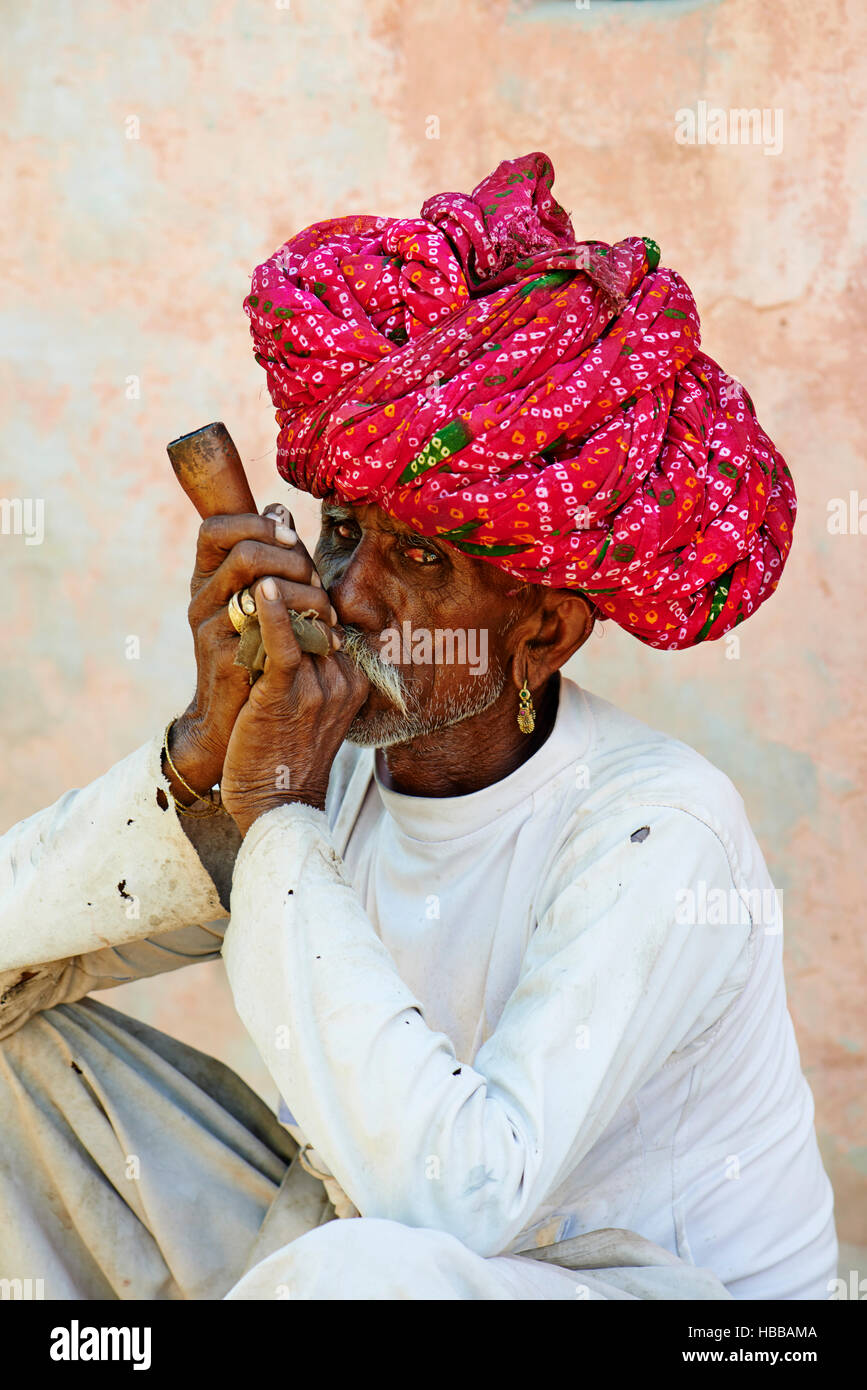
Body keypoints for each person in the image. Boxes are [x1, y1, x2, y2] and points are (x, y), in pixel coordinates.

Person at [0, 154, 836, 1301]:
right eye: (345, 532)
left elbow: (458, 1201)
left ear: (543, 633)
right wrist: (195, 761)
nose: (348, 596)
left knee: (355, 1278)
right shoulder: (325, 768)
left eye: (423, 560)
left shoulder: (658, 829)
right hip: (351, 1248)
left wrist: (278, 824)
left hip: (659, 1303)